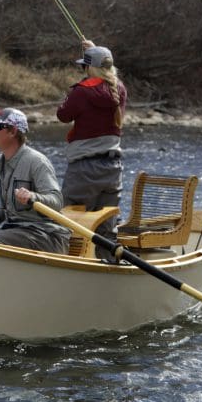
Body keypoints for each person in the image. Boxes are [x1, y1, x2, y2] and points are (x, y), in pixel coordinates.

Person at [56, 40, 127, 259]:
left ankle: (67, 265)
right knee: (106, 228)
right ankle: (106, 267)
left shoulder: (82, 91)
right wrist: (94, 52)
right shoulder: (120, 89)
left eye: (84, 66)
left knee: (68, 222)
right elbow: (105, 80)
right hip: (113, 169)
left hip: (84, 169)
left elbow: (63, 115)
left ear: (89, 68)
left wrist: (88, 67)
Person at [0, 107, 71, 254]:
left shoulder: (37, 161)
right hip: (17, 231)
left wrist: (33, 197)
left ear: (13, 131)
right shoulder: (1, 161)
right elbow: (6, 208)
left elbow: (57, 201)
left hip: (46, 235)